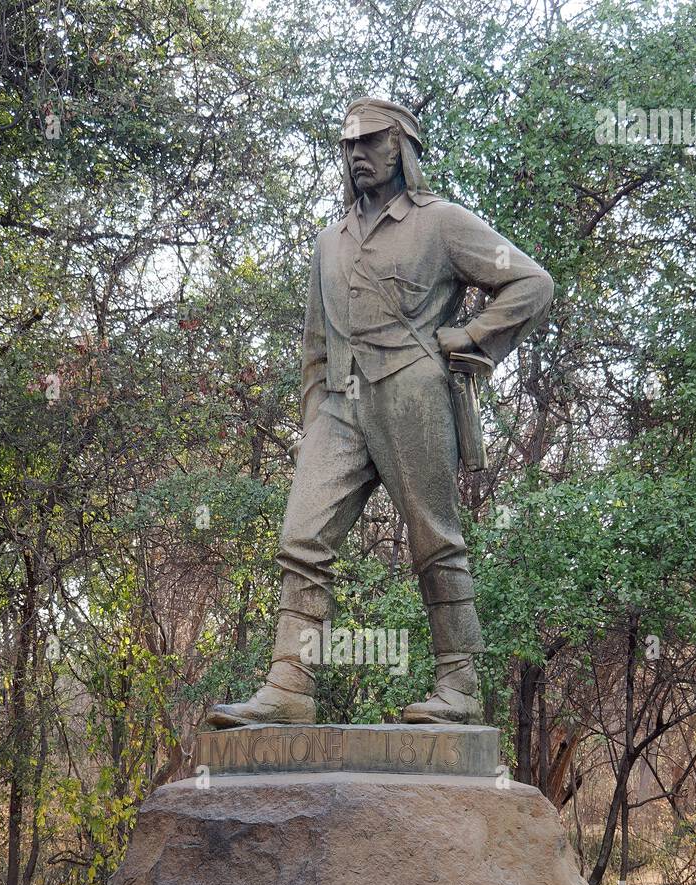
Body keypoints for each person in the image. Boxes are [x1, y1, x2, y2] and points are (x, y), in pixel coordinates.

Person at [209, 96, 553, 727]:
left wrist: (468, 337)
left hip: (411, 394)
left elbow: (530, 281)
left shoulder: (442, 222)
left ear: (402, 148)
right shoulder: (328, 241)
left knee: (435, 539)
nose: (357, 154)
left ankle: (459, 685)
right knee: (302, 537)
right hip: (340, 402)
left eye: (371, 142)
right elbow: (316, 343)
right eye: (349, 145)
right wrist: (315, 414)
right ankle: (288, 685)